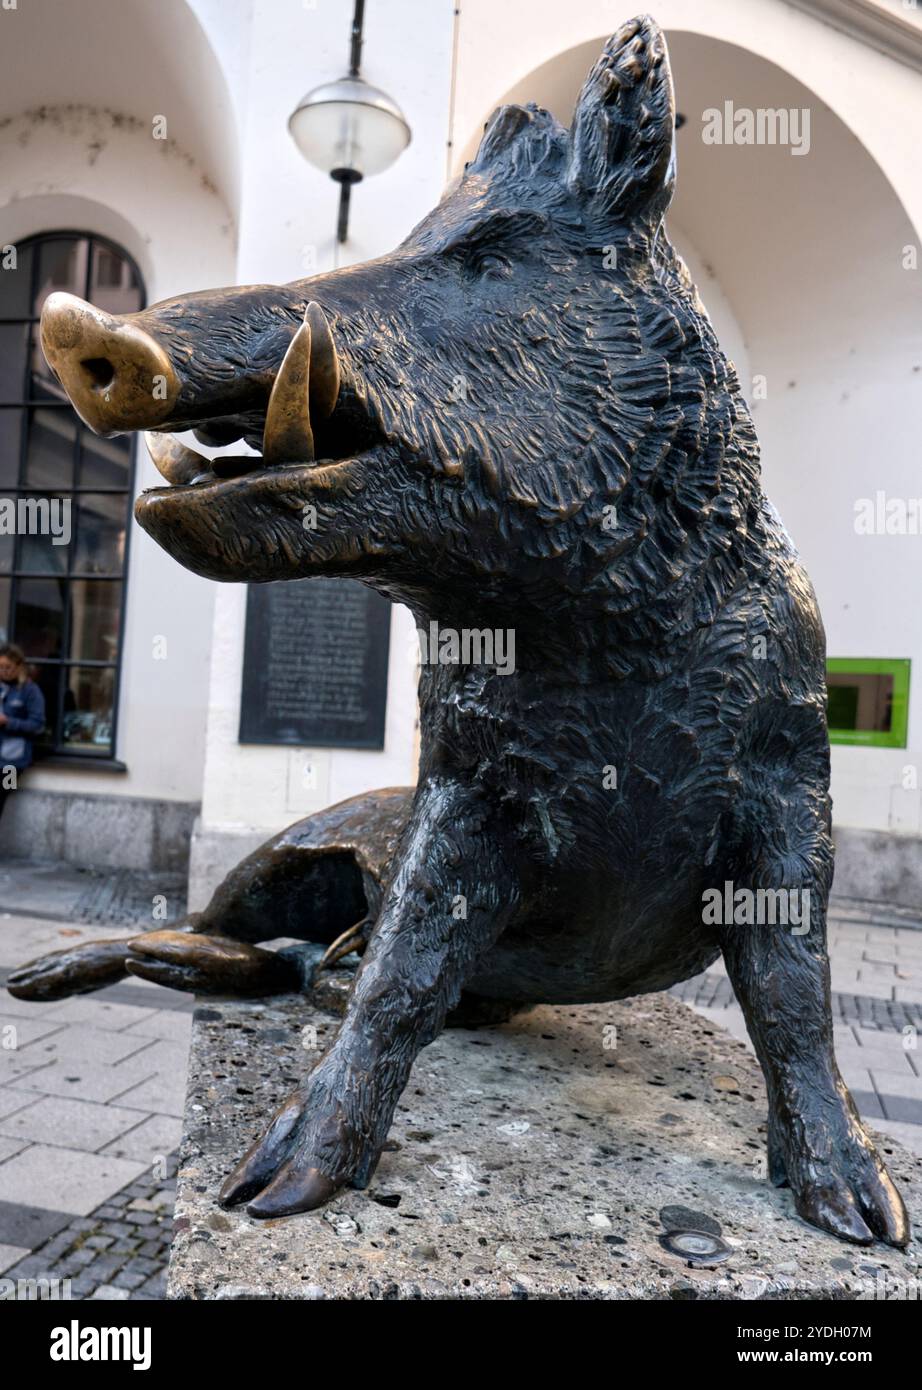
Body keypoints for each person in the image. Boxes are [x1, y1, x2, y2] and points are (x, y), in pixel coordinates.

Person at [0, 643, 46, 821]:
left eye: (8, 667)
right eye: (0, 667)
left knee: (2, 794)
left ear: (19, 666)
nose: (4, 671)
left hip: (13, 763)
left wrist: (8, 722)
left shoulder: (31, 691)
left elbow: (37, 725)